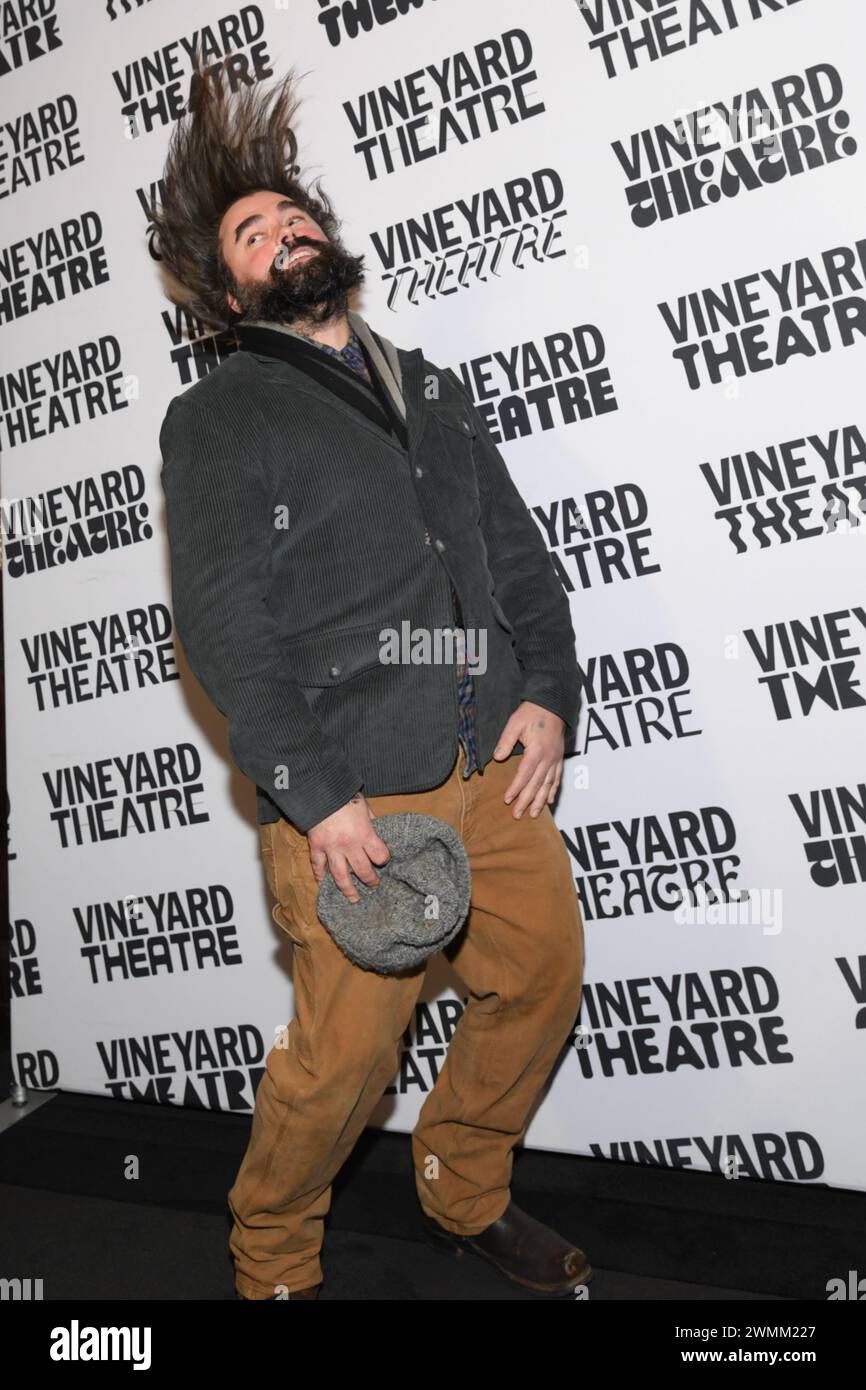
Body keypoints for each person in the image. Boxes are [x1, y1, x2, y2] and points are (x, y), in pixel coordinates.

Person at [153, 59, 589, 1301]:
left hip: (487, 776)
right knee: (340, 1070)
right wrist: (315, 793)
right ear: (223, 288)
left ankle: (463, 1182)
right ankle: (273, 1260)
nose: (284, 230)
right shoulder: (223, 416)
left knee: (544, 977)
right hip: (349, 806)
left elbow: (518, 561)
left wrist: (545, 692)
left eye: (294, 213)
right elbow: (227, 627)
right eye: (252, 230)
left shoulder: (432, 388)